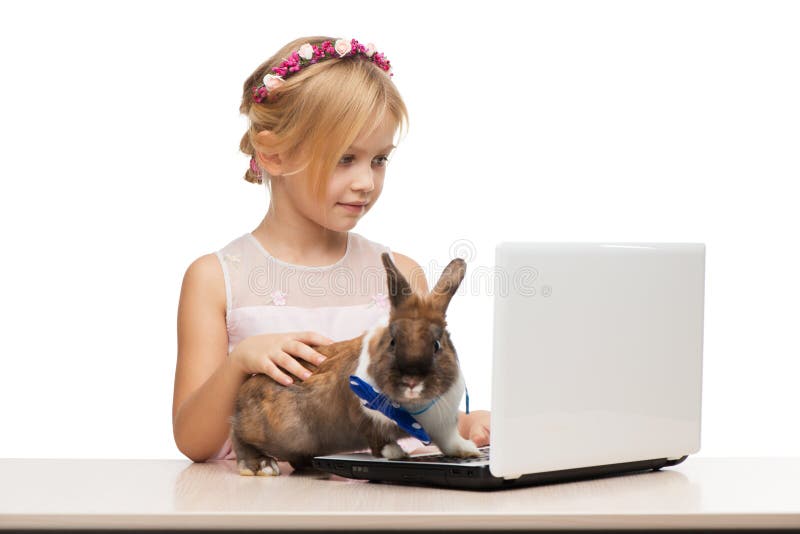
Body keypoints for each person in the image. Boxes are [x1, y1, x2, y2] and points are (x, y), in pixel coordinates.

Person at [172, 36, 491, 465]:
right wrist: (238, 365)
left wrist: (466, 425)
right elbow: (194, 442)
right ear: (273, 154)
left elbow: (424, 404)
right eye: (346, 158)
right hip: (266, 507)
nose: (367, 182)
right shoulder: (216, 279)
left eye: (379, 160)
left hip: (388, 502)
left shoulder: (400, 272)